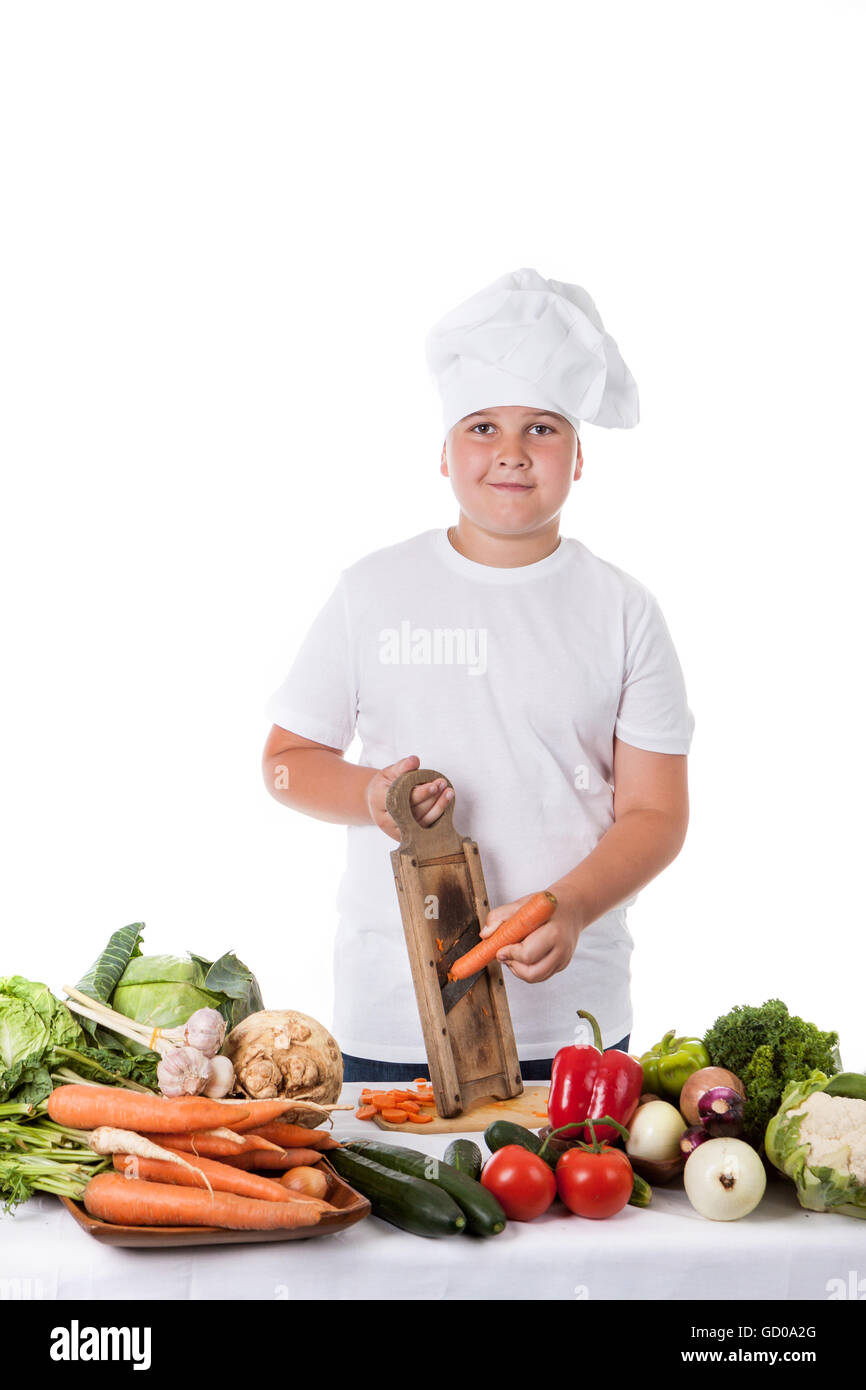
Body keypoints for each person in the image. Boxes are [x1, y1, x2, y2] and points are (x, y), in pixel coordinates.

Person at [262, 267, 694, 1084]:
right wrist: (368, 796)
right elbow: (284, 763)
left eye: (541, 429)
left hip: (572, 1022)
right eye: (483, 427)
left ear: (579, 457)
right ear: (443, 455)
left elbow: (656, 812)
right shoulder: (373, 590)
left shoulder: (623, 610)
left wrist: (568, 907)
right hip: (397, 1013)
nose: (511, 454)